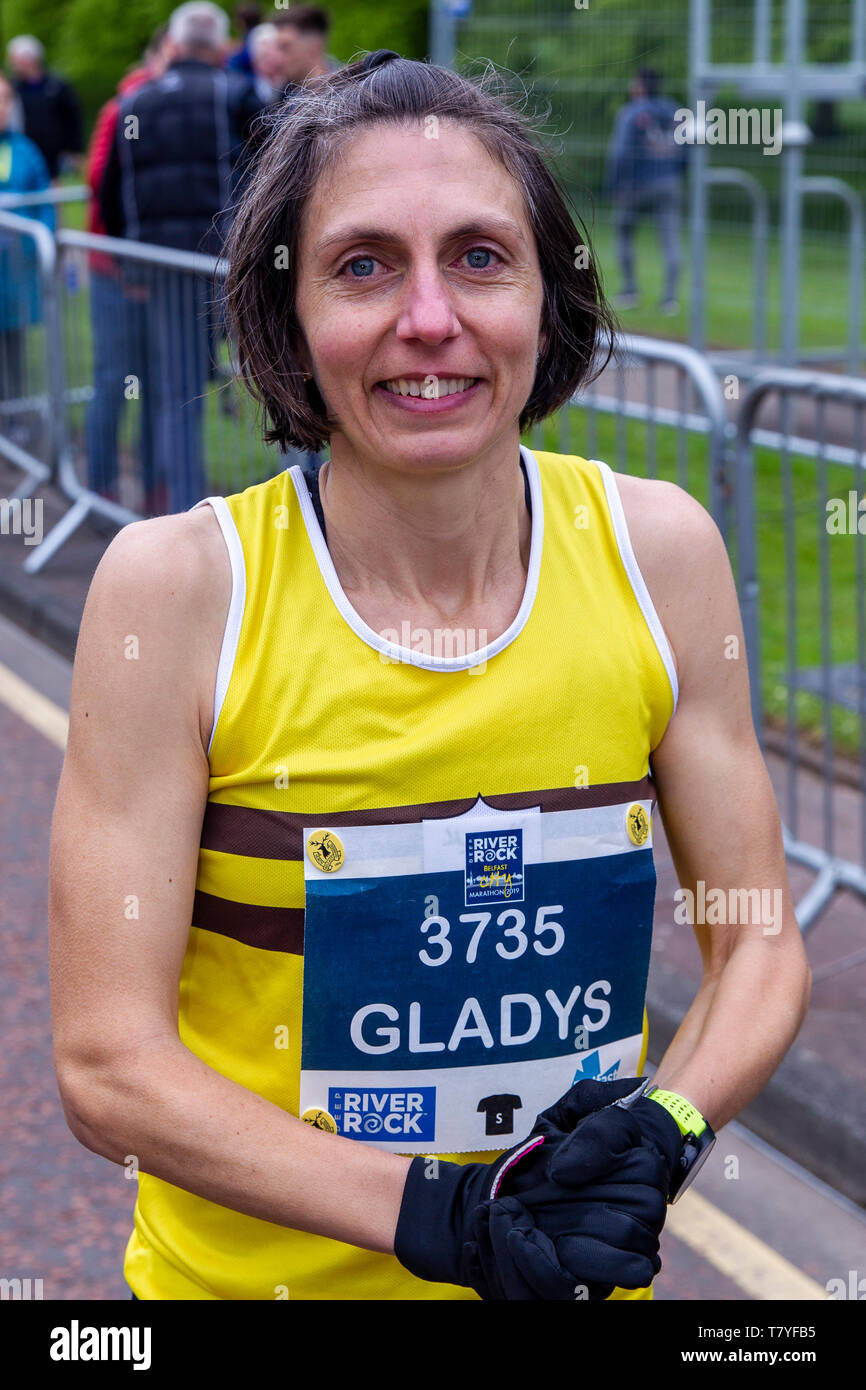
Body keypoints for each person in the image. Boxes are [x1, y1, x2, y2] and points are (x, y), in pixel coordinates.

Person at [49, 51, 811, 1302]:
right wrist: (439, 1215)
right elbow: (106, 1065)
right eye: (362, 266)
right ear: (286, 311)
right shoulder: (178, 591)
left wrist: (668, 1123)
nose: (427, 318)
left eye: (476, 256)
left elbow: (758, 939)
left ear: (546, 292)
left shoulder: (659, 550)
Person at [98, 1, 264, 514]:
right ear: (218, 46)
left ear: (172, 44)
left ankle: (184, 514)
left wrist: (131, 263)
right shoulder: (234, 93)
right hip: (229, 265)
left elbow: (109, 189)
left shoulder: (134, 102)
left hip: (164, 272)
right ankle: (301, 501)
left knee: (177, 392)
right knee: (279, 373)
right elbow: (269, 165)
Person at [83, 27, 170, 516]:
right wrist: (125, 259)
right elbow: (100, 179)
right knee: (116, 379)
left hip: (152, 273)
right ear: (155, 57)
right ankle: (100, 488)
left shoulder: (162, 104)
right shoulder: (123, 107)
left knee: (158, 381)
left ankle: (157, 491)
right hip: (113, 270)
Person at [0, 70, 54, 448]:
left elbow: (44, 204)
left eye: (5, 99)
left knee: (13, 349)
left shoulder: (24, 149)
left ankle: (13, 418)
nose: (2, 107)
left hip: (13, 277)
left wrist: (37, 244)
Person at [606, 68, 687, 315]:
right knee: (671, 239)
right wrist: (677, 173)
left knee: (623, 234)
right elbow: (688, 149)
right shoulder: (675, 111)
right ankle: (670, 299)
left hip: (635, 185)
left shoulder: (631, 112)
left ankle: (630, 291)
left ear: (640, 86)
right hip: (669, 182)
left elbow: (620, 152)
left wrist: (614, 184)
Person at [6, 35, 83, 180]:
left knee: (54, 192)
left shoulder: (57, 86)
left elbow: (72, 118)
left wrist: (74, 150)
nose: (14, 65)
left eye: (16, 60)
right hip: (24, 150)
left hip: (54, 153)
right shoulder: (13, 88)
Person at [272, 6, 340, 91]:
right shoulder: (281, 94)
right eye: (277, 48)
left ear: (315, 48)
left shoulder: (347, 94)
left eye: (285, 48)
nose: (277, 58)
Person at [226, 4, 263, 77]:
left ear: (242, 21)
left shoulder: (252, 36)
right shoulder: (260, 33)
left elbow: (246, 58)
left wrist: (230, 55)